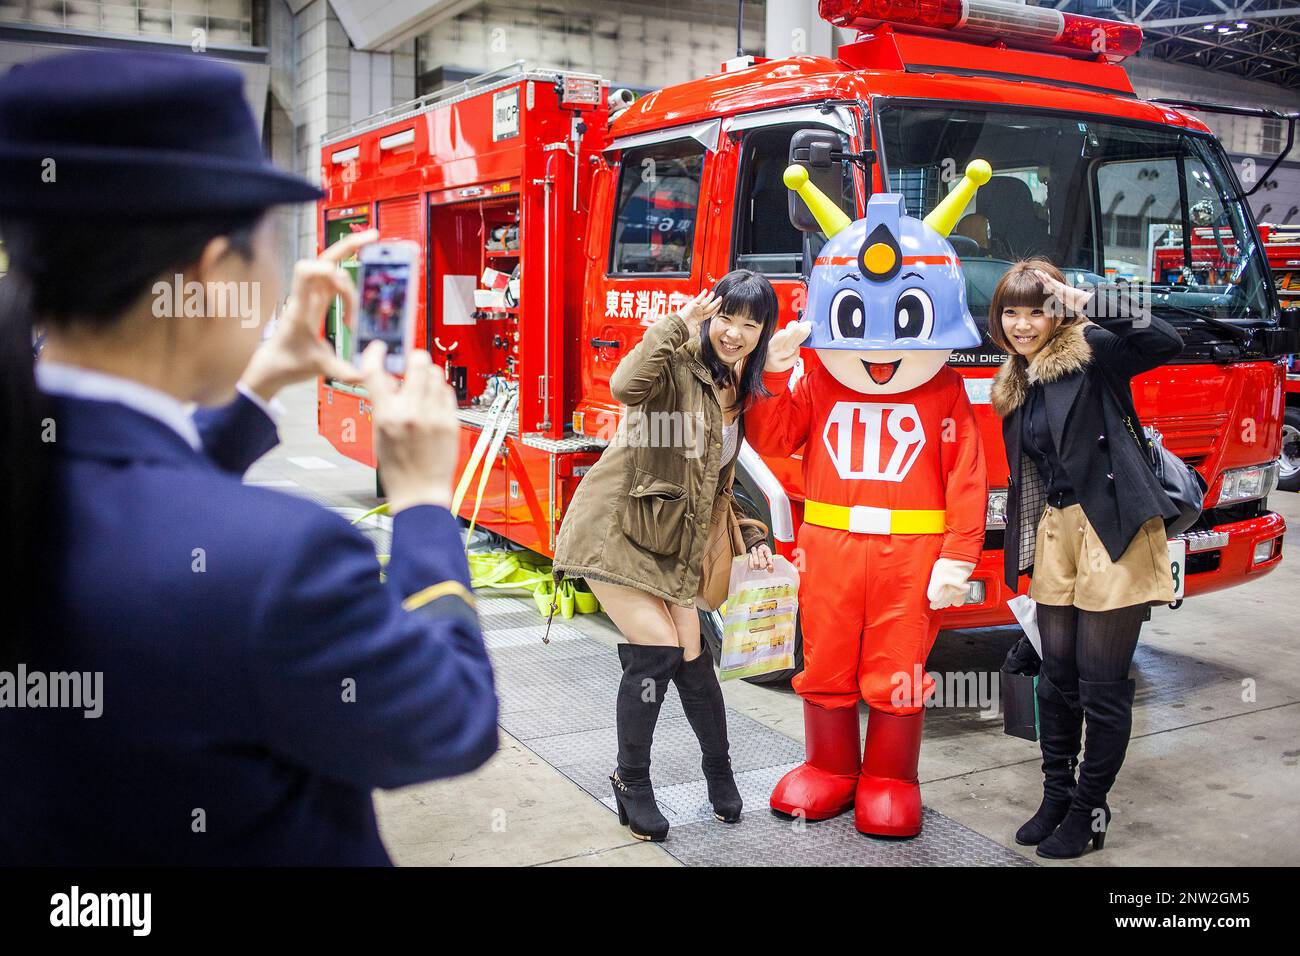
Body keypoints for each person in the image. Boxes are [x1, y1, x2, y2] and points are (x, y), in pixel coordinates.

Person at [0, 50, 498, 865]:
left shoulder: (35, 463)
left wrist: (260, 381)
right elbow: (449, 720)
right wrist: (421, 503)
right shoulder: (282, 563)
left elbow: (137, 500)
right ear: (210, 270)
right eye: (268, 245)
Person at [551, 270, 780, 842]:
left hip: (674, 543)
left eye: (750, 324)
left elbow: (717, 484)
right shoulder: (676, 357)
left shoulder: (737, 386)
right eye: (726, 317)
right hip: (616, 527)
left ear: (761, 334)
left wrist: (751, 535)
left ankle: (718, 773)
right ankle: (631, 783)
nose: (734, 332)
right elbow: (625, 386)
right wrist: (678, 323)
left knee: (694, 656)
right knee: (657, 649)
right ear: (710, 315)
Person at [989, 259, 1183, 859]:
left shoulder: (1094, 349)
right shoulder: (1015, 381)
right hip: (1056, 532)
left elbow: (1164, 338)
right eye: (1011, 312)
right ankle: (1056, 795)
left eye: (1037, 309)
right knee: (1055, 678)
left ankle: (1090, 808)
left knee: (1102, 686)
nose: (1024, 324)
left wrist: (1091, 297)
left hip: (1114, 528)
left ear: (1059, 311)